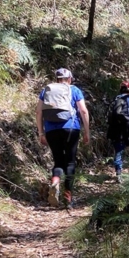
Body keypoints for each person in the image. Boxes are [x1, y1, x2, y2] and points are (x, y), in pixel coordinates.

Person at [36, 68, 90, 209]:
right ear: (70, 79)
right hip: (71, 128)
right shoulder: (74, 90)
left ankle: (55, 181)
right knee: (70, 162)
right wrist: (87, 131)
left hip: (51, 130)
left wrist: (41, 133)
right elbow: (83, 111)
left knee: (58, 161)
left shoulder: (46, 90)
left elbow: (38, 112)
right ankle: (68, 198)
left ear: (56, 79)